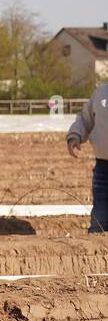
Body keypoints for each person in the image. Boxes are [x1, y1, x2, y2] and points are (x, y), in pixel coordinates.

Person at [67, 81, 108, 233]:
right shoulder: (101, 93)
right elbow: (85, 119)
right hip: (103, 169)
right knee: (100, 222)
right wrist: (75, 135)